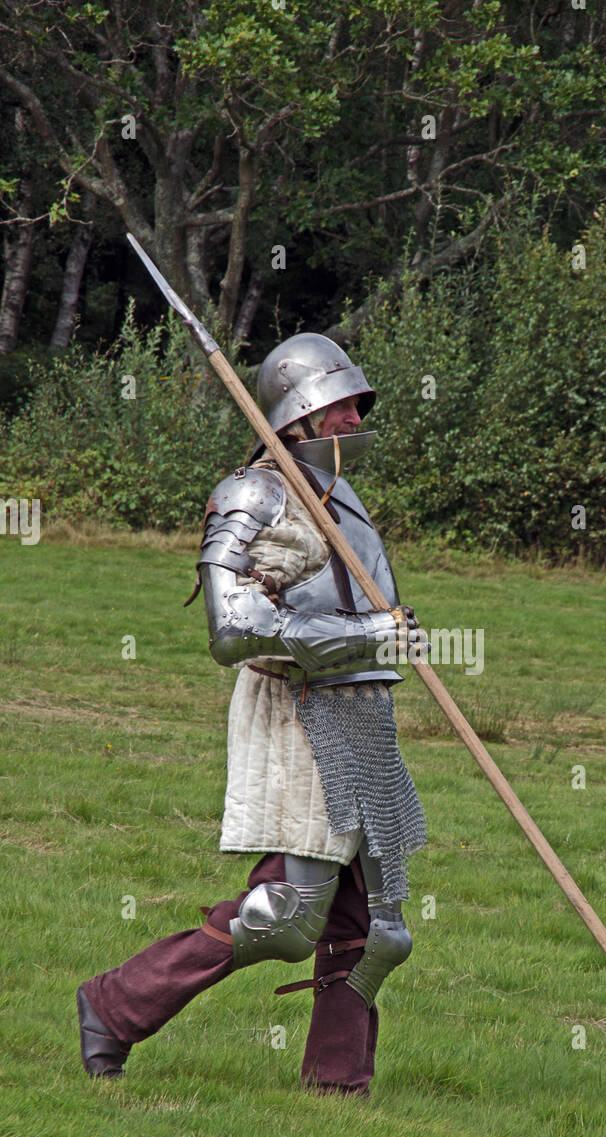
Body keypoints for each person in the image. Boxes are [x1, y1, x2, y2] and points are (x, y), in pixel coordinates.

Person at [77, 333, 426, 1097]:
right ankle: (114, 1004)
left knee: (375, 928)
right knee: (284, 917)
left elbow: (358, 603)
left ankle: (337, 1084)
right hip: (298, 713)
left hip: (362, 715)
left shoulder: (343, 499)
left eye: (356, 405)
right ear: (297, 415)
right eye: (337, 406)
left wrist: (390, 633)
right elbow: (232, 632)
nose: (352, 418)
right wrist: (371, 632)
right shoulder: (254, 494)